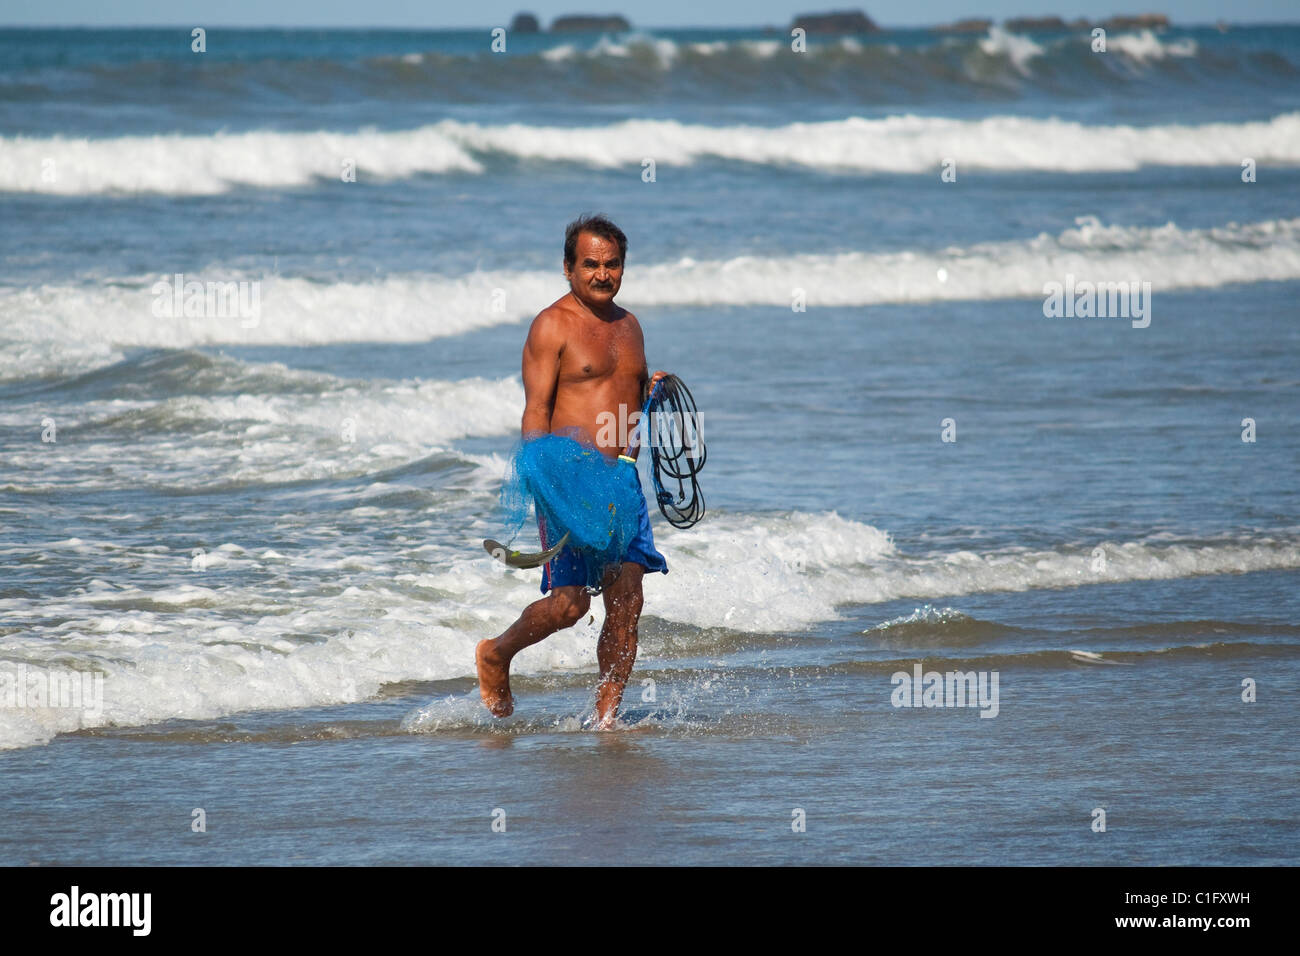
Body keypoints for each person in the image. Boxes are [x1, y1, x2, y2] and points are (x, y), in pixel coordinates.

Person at [476, 214, 670, 729]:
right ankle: (497, 653)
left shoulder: (630, 326)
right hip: (567, 477)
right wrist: (542, 480)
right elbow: (535, 412)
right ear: (568, 268)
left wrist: (650, 388)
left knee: (628, 600)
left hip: (623, 480)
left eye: (612, 264)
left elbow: (619, 392)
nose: (602, 274)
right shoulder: (552, 325)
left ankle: (607, 720)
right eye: (590, 264)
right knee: (569, 606)